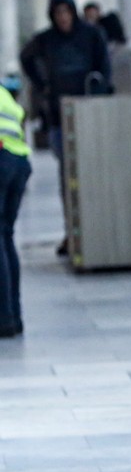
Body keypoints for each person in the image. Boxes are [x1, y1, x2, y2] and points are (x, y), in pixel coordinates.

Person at [19, 0, 112, 256]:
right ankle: (71, 232)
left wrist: (98, 90)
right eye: (57, 13)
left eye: (66, 12)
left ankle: (96, 230)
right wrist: (41, 84)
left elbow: (104, 67)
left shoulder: (91, 35)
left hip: (89, 112)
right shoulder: (46, 40)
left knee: (93, 173)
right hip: (60, 115)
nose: (62, 18)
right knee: (68, 176)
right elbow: (27, 58)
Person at [0, 84, 32, 337]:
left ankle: (4, 318)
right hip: (18, 161)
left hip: (1, 160)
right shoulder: (2, 92)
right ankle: (12, 317)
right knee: (5, 236)